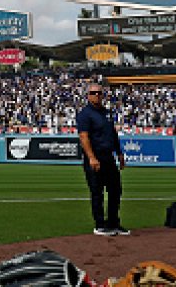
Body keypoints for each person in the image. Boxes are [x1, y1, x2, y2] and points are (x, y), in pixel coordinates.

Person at [76, 82, 128, 236]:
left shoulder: (107, 113)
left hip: (108, 157)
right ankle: (99, 225)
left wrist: (119, 153)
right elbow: (84, 137)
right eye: (93, 93)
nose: (97, 96)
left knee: (115, 190)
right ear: (88, 96)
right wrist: (92, 158)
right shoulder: (85, 114)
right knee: (97, 192)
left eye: (99, 93)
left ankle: (113, 223)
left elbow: (113, 134)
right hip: (95, 156)